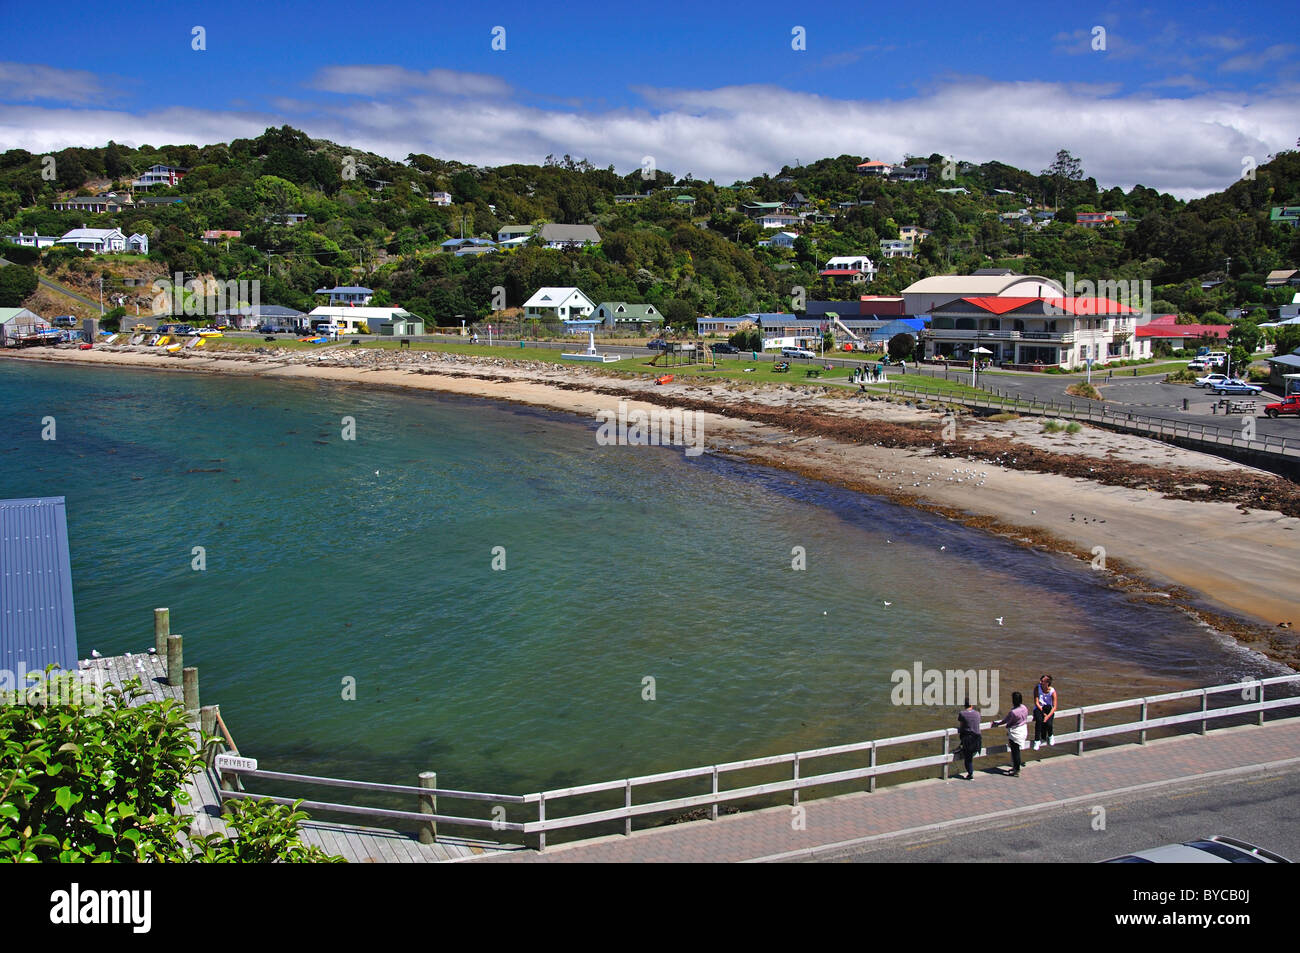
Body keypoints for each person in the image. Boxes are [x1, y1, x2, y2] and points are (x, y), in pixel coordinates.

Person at [993, 691, 1030, 777]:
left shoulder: (1013, 712)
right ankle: (1015, 768)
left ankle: (1016, 770)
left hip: (1016, 733)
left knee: (1015, 752)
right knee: (1017, 751)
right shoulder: (1024, 708)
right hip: (1023, 730)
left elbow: (1007, 721)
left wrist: (998, 724)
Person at [956, 699, 982, 781]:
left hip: (968, 739)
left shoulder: (962, 713)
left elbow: (961, 725)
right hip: (977, 738)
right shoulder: (978, 713)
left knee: (968, 758)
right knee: (970, 755)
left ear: (964, 705)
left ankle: (970, 774)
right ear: (972, 705)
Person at [1033, 674, 1057, 750]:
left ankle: (1050, 735)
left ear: (1047, 683)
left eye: (1042, 681)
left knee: (1049, 724)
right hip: (1039, 707)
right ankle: (1037, 740)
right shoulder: (1037, 688)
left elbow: (1055, 706)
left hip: (1048, 708)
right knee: (1039, 721)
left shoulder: (1052, 691)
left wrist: (1048, 716)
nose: (1040, 682)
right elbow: (1036, 702)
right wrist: (1043, 713)